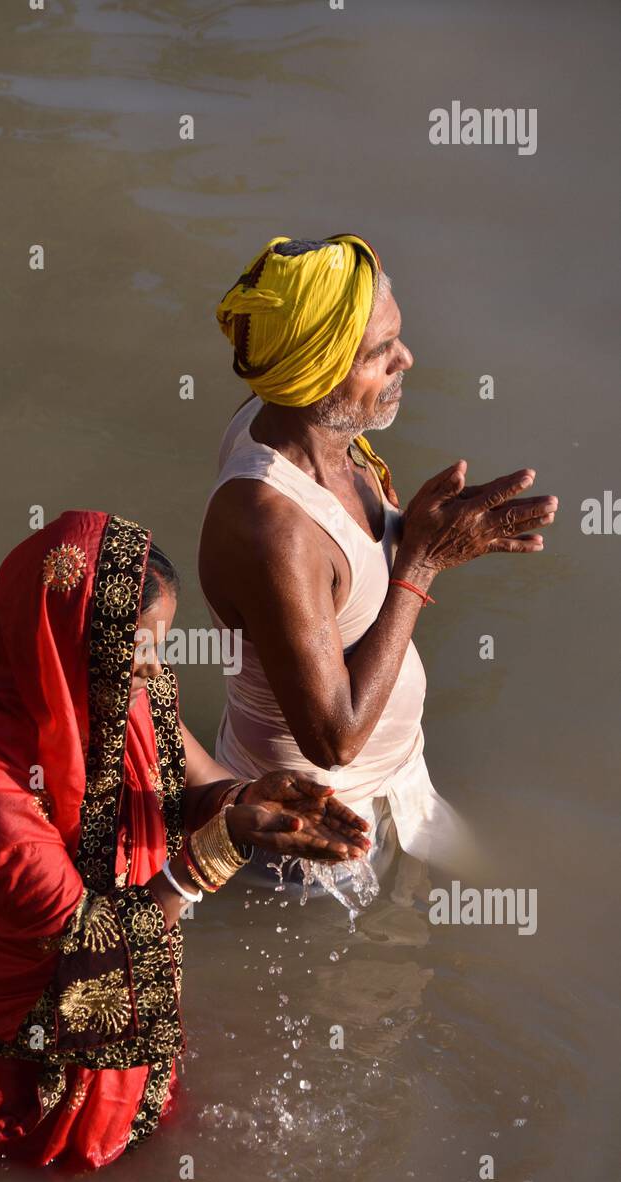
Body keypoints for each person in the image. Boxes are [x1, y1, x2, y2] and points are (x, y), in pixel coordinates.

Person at [0, 509, 370, 1170]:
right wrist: (215, 852)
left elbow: (184, 780)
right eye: (136, 652)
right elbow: (87, 942)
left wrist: (249, 800)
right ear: (63, 645)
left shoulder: (116, 676)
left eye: (161, 645)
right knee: (40, 1176)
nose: (152, 670)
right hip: (27, 1022)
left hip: (128, 962)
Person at [200, 234, 558, 892]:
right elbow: (332, 740)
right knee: (372, 990)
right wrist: (420, 565)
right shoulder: (272, 527)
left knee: (507, 888)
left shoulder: (305, 424)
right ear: (316, 375)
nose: (407, 359)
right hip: (321, 830)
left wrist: (430, 536)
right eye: (379, 353)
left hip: (399, 778)